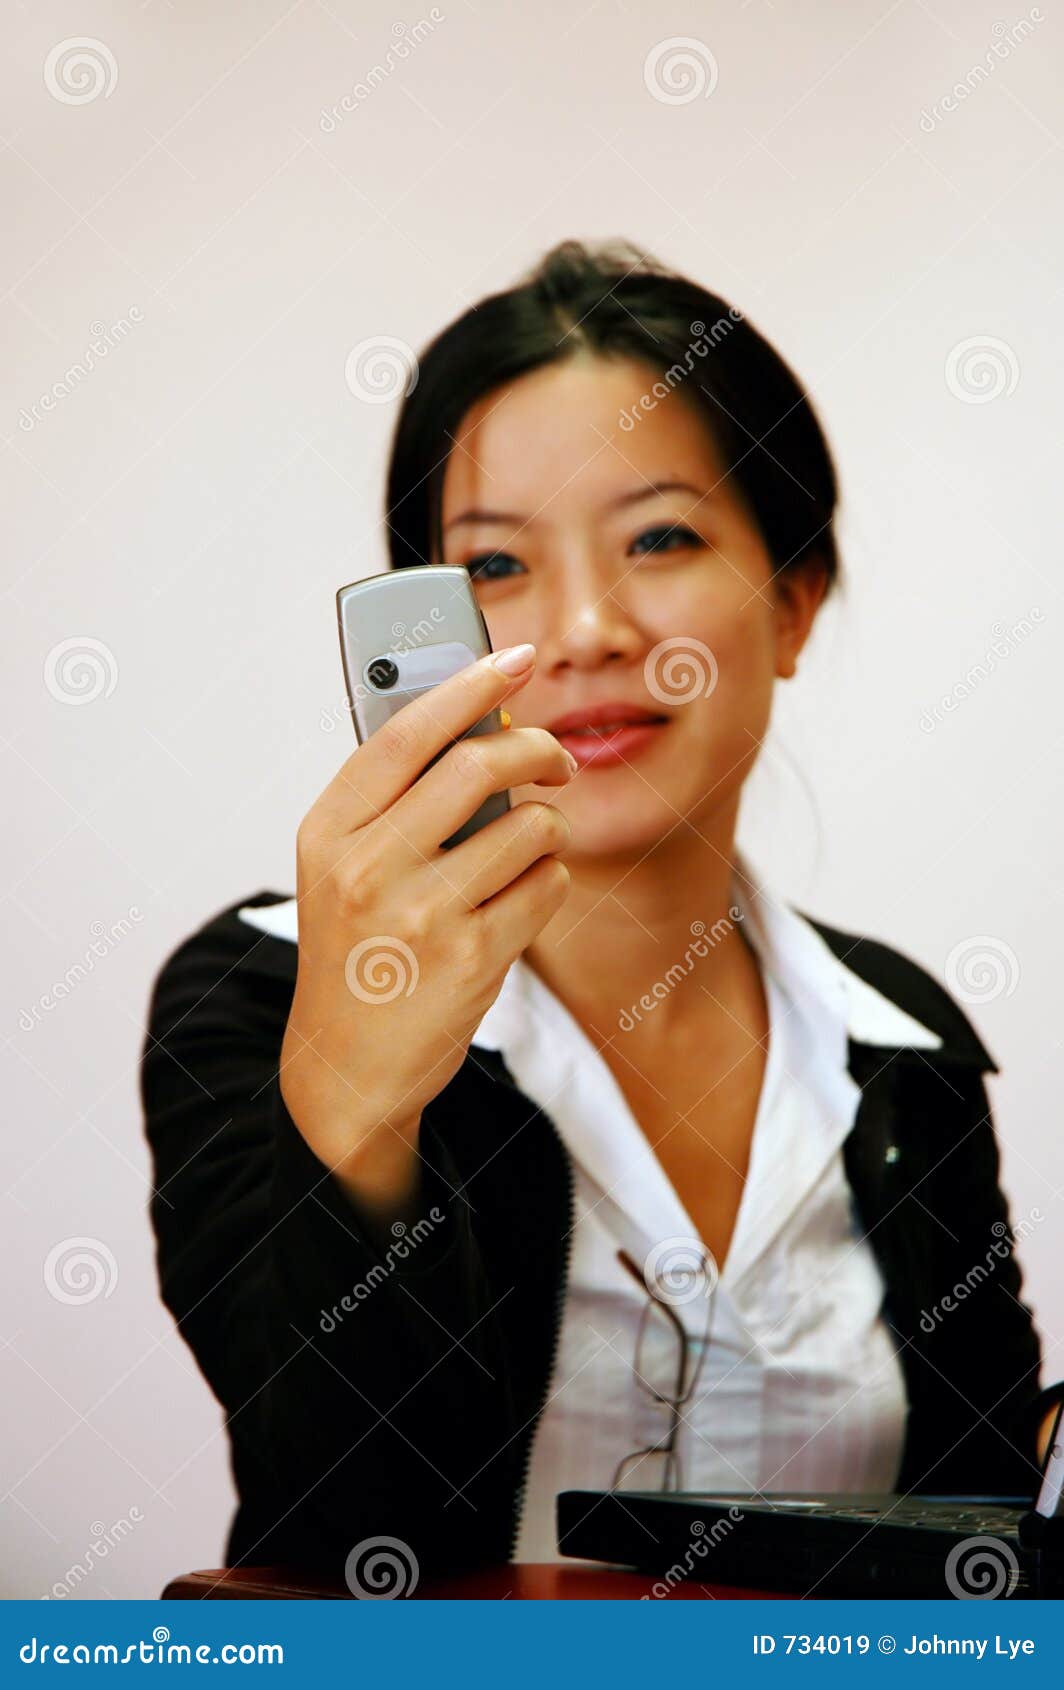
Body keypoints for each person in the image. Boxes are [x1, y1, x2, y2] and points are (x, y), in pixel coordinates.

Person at [141, 239, 1060, 1584]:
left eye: (662, 537)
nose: (583, 628)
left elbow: (985, 1543)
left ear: (793, 601)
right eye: (496, 568)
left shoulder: (902, 1037)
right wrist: (359, 1097)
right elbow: (346, 1537)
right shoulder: (261, 991)